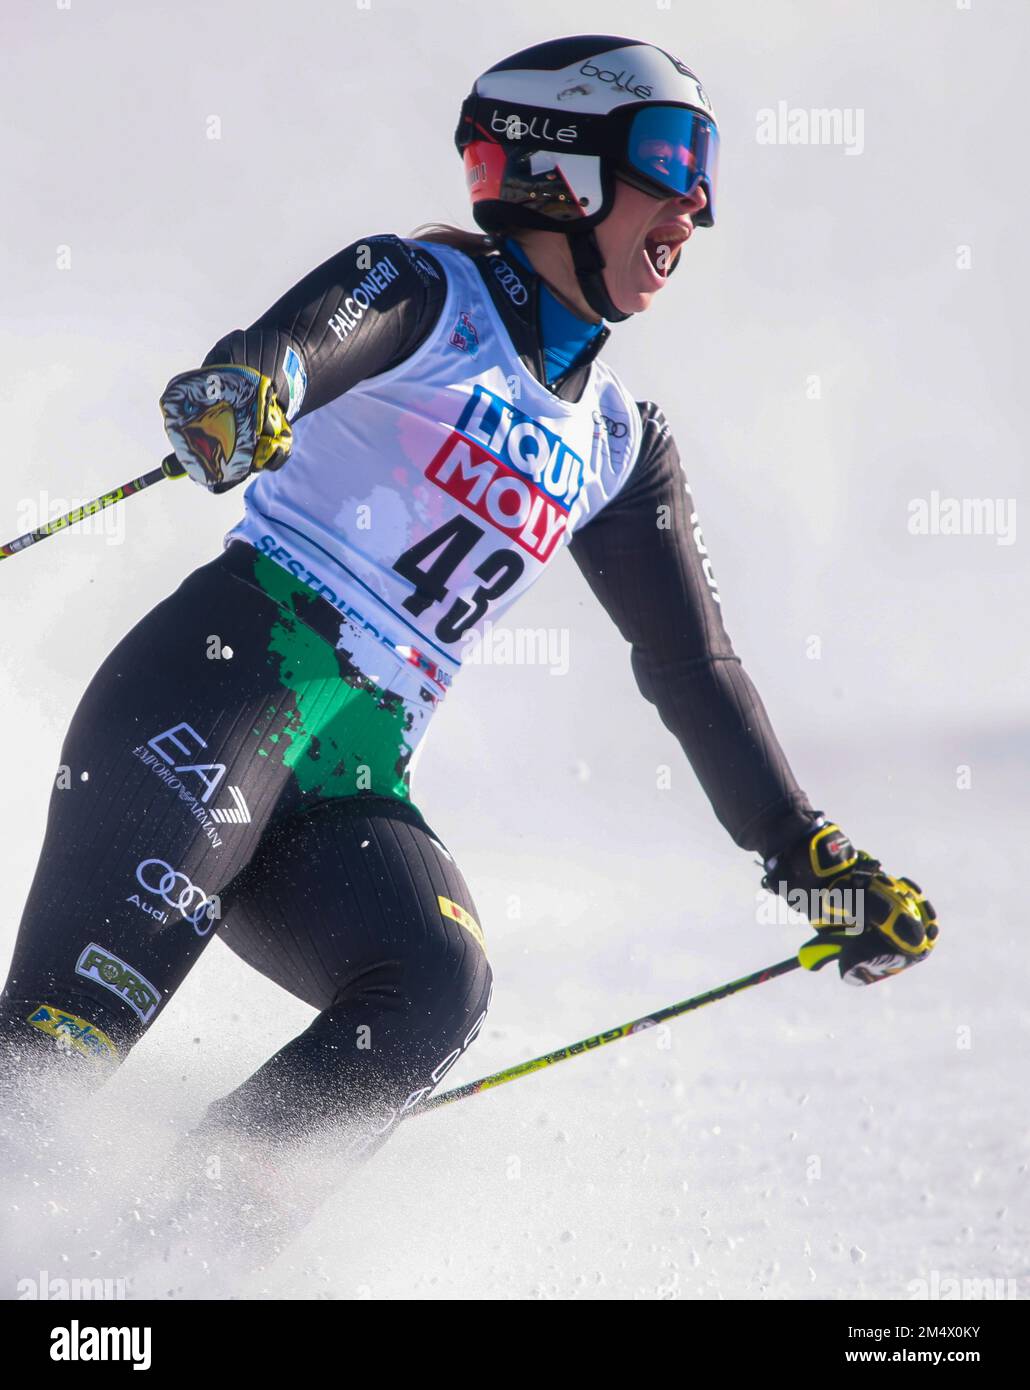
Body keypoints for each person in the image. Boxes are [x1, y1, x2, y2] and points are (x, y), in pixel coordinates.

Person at [0, 34, 937, 1204]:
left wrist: (805, 857)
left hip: (347, 781)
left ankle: (151, 1270)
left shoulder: (617, 445)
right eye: (667, 158)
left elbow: (690, 665)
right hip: (221, 689)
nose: (693, 204)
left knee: (434, 980)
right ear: (561, 169)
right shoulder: (428, 290)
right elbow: (291, 351)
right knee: (39, 1078)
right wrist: (251, 391)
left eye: (706, 169)